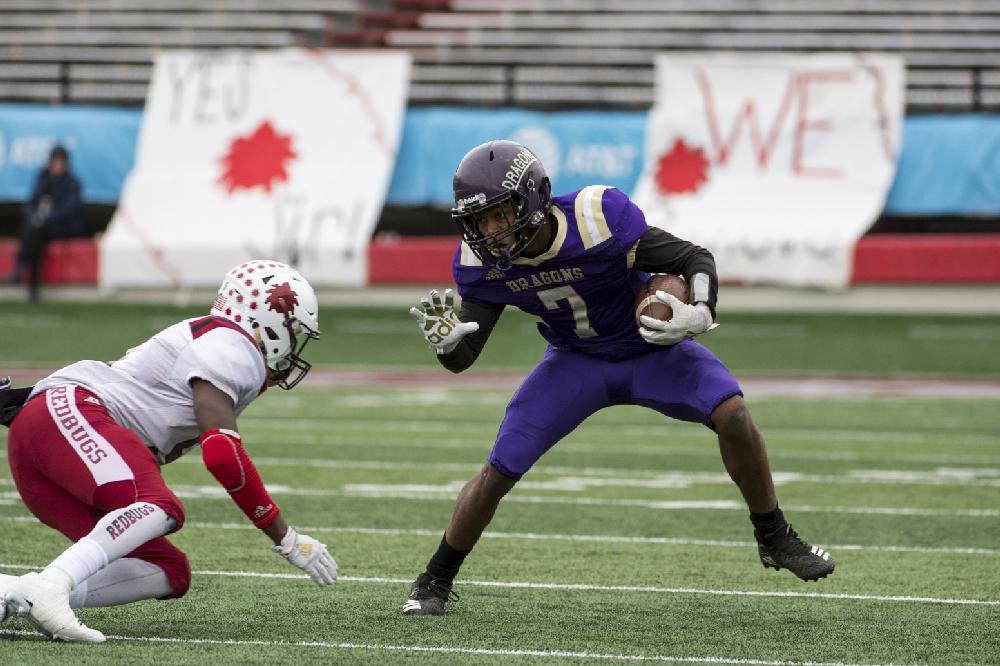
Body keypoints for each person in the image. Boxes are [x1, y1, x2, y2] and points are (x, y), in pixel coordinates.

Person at [402, 140, 835, 616]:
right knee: (499, 470)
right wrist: (446, 345)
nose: (491, 232)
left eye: (500, 214)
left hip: (649, 349)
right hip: (575, 361)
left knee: (732, 413)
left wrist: (699, 311)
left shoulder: (595, 218)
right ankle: (435, 578)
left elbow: (694, 258)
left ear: (534, 199)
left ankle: (774, 536)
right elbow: (463, 358)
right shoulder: (480, 262)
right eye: (480, 220)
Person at [0, 260, 338, 643]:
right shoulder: (236, 347)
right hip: (68, 415)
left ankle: (20, 593)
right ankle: (52, 587)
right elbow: (222, 455)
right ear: (269, 322)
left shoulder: (221, 342)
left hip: (46, 438)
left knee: (166, 569)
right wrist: (285, 537)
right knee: (159, 506)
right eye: (294, 332)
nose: (294, 346)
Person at [6, 145, 87, 302]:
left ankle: (20, 267)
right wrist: (36, 217)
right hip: (41, 227)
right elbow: (29, 204)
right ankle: (31, 287)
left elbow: (69, 210)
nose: (56, 165)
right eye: (54, 161)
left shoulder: (72, 183)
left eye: (60, 162)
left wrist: (45, 218)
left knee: (34, 232)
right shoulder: (43, 179)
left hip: (63, 227)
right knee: (34, 234)